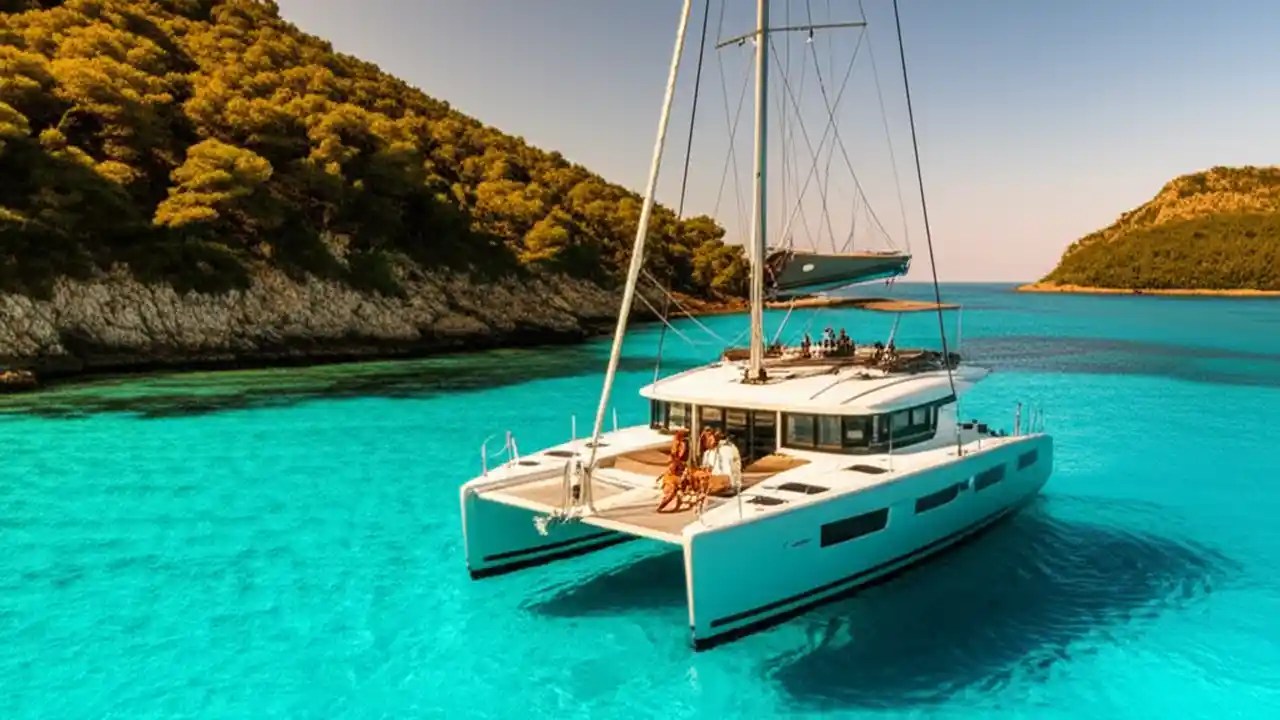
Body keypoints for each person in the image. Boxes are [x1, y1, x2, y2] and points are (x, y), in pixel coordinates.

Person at [657, 429, 689, 513]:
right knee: (674, 490)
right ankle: (667, 505)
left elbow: (679, 456)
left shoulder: (682, 445)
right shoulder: (678, 445)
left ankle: (667, 506)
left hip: (678, 470)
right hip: (674, 472)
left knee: (676, 489)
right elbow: (673, 457)